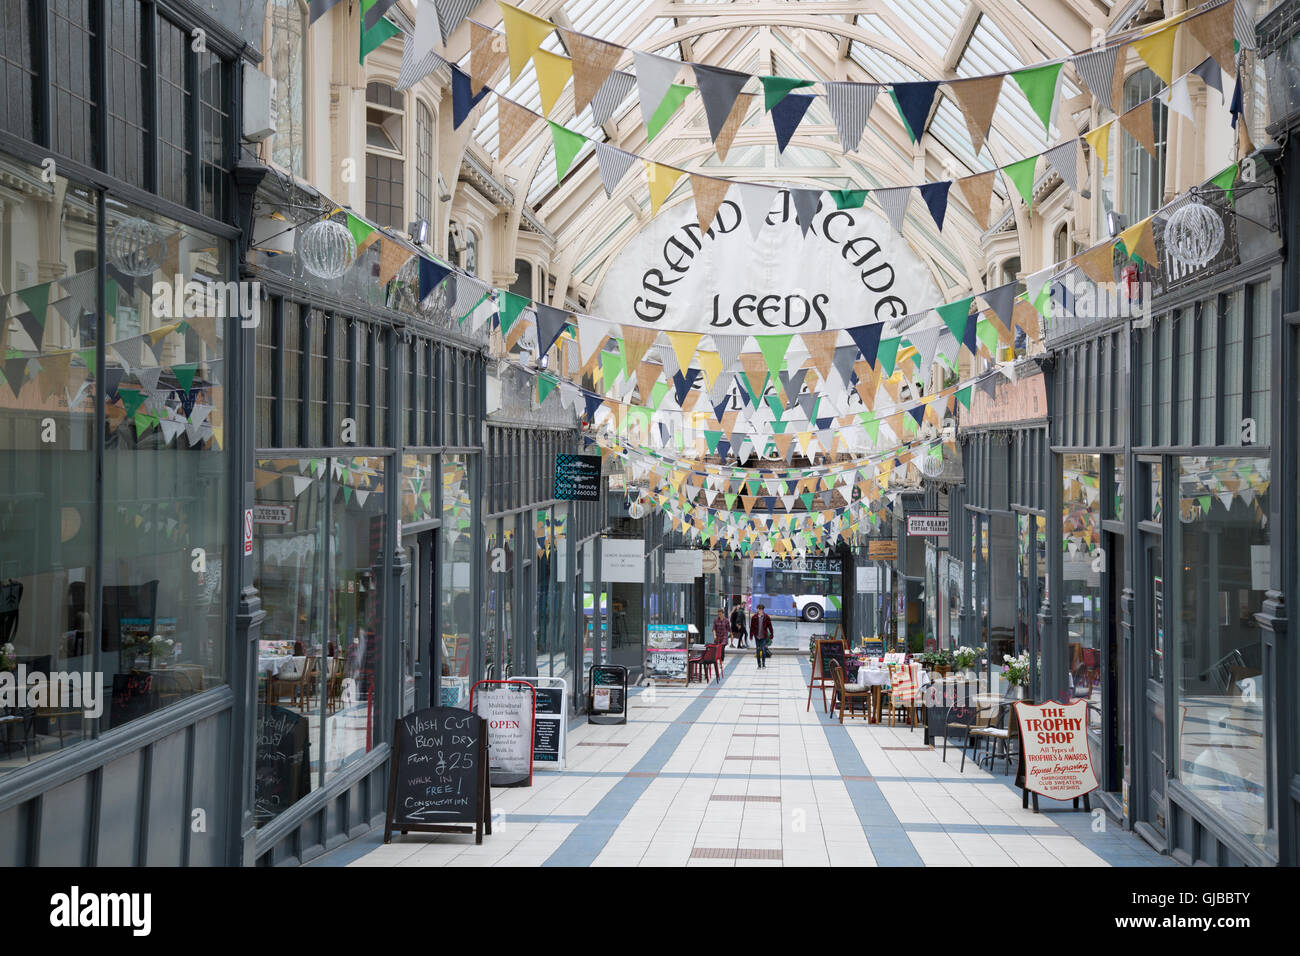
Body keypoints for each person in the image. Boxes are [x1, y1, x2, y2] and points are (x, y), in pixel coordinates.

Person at [751, 603, 774, 668]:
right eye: (758, 609)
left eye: (760, 609)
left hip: (764, 636)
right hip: (757, 636)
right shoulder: (754, 617)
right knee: (758, 651)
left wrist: (772, 634)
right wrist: (751, 635)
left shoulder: (766, 617)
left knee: (763, 651)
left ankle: (763, 663)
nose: (759, 611)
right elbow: (752, 627)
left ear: (763, 610)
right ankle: (759, 664)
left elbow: (770, 626)